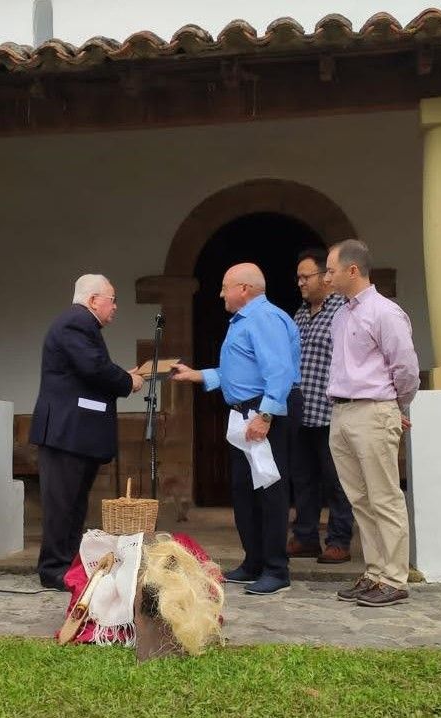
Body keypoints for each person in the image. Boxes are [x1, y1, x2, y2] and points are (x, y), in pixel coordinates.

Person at [171, 263, 301, 596]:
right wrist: (198, 375)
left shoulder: (264, 318)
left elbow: (280, 371)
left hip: (265, 410)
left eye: (225, 286)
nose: (220, 293)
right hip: (246, 412)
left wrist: (266, 415)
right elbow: (239, 370)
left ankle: (276, 568)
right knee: (245, 489)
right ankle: (254, 561)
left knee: (270, 488)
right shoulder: (244, 320)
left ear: (244, 289)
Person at [29, 274, 143, 590]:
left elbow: (89, 371)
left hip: (75, 433)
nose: (116, 307)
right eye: (112, 299)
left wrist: (121, 376)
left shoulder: (81, 323)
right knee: (62, 505)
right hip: (67, 433)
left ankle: (64, 566)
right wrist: (126, 381)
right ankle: (53, 569)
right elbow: (92, 367)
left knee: (73, 504)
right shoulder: (76, 322)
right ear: (94, 300)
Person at [324, 239, 420, 607]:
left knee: (384, 496)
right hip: (343, 411)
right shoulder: (341, 314)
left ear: (353, 270)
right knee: (359, 499)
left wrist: (396, 406)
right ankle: (375, 571)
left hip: (374, 409)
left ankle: (395, 578)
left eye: (331, 270)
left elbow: (406, 368)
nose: (326, 276)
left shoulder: (384, 312)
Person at [289, 248, 354, 563]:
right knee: (303, 481)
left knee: (337, 481)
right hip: (301, 413)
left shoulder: (343, 311)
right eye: (298, 277)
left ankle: (339, 541)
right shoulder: (299, 314)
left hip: (331, 413)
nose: (300, 282)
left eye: (306, 276)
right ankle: (306, 537)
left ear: (326, 278)